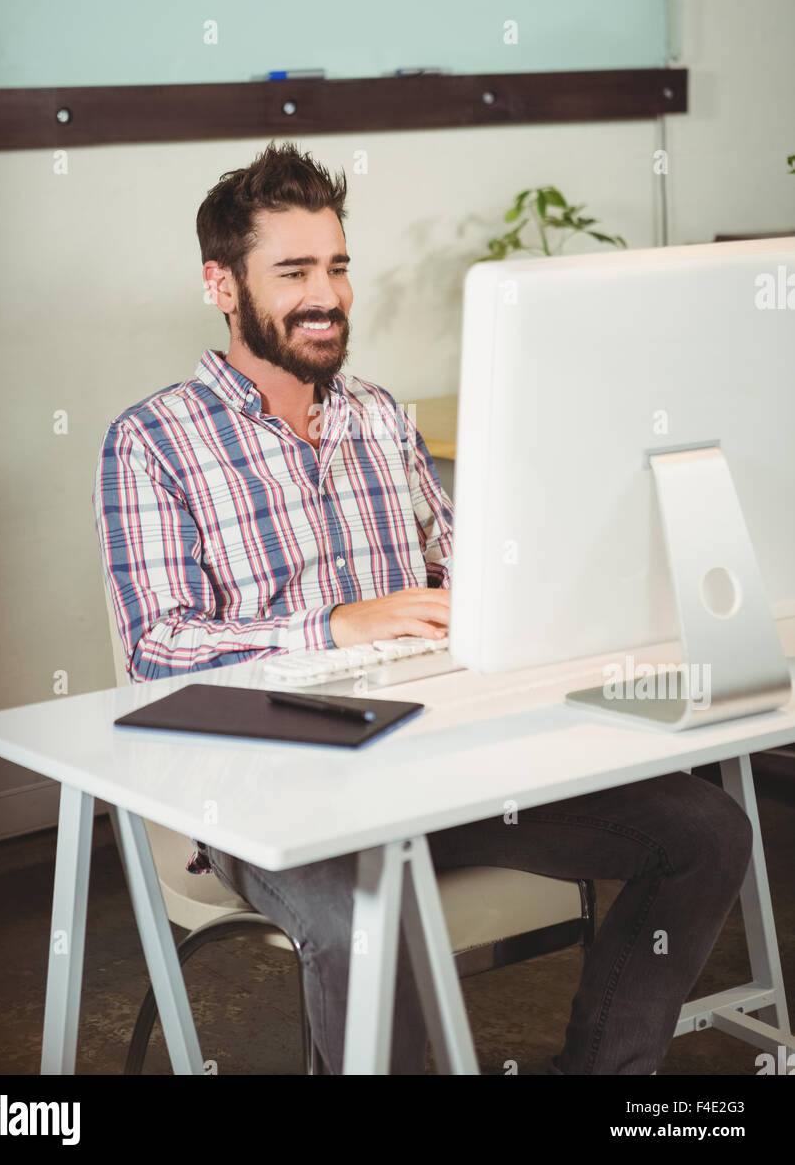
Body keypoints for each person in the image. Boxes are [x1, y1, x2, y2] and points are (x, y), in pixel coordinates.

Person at [93, 141, 755, 1075]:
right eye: (292, 272)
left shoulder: (380, 417)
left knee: (706, 831)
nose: (326, 295)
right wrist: (333, 624)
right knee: (364, 913)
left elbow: (466, 573)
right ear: (223, 285)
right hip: (267, 793)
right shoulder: (151, 443)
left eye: (336, 266)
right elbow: (156, 649)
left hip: (438, 760)